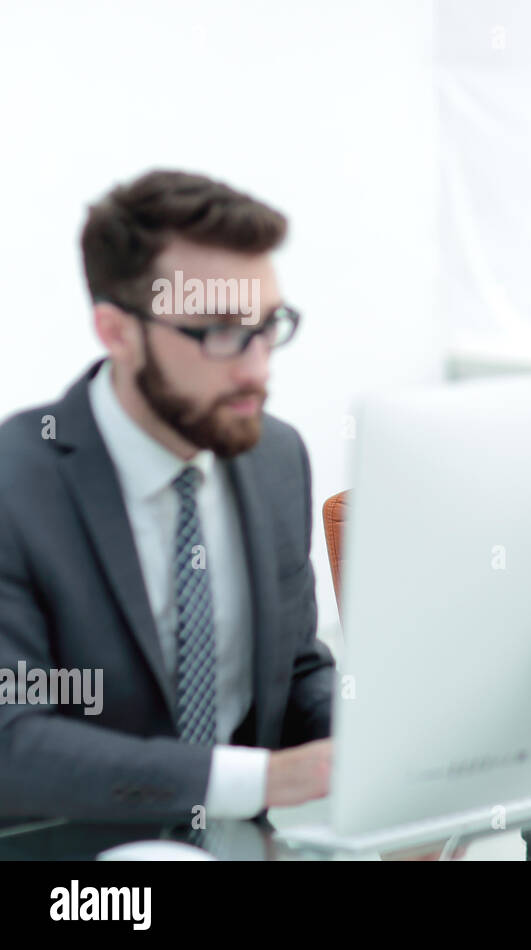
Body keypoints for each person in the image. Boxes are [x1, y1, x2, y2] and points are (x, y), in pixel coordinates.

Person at [0, 170, 333, 825]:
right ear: (117, 332)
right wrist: (259, 779)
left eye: (270, 326)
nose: (257, 367)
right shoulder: (16, 485)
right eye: (218, 331)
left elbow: (294, 672)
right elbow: (12, 743)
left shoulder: (275, 458)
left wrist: (376, 761)